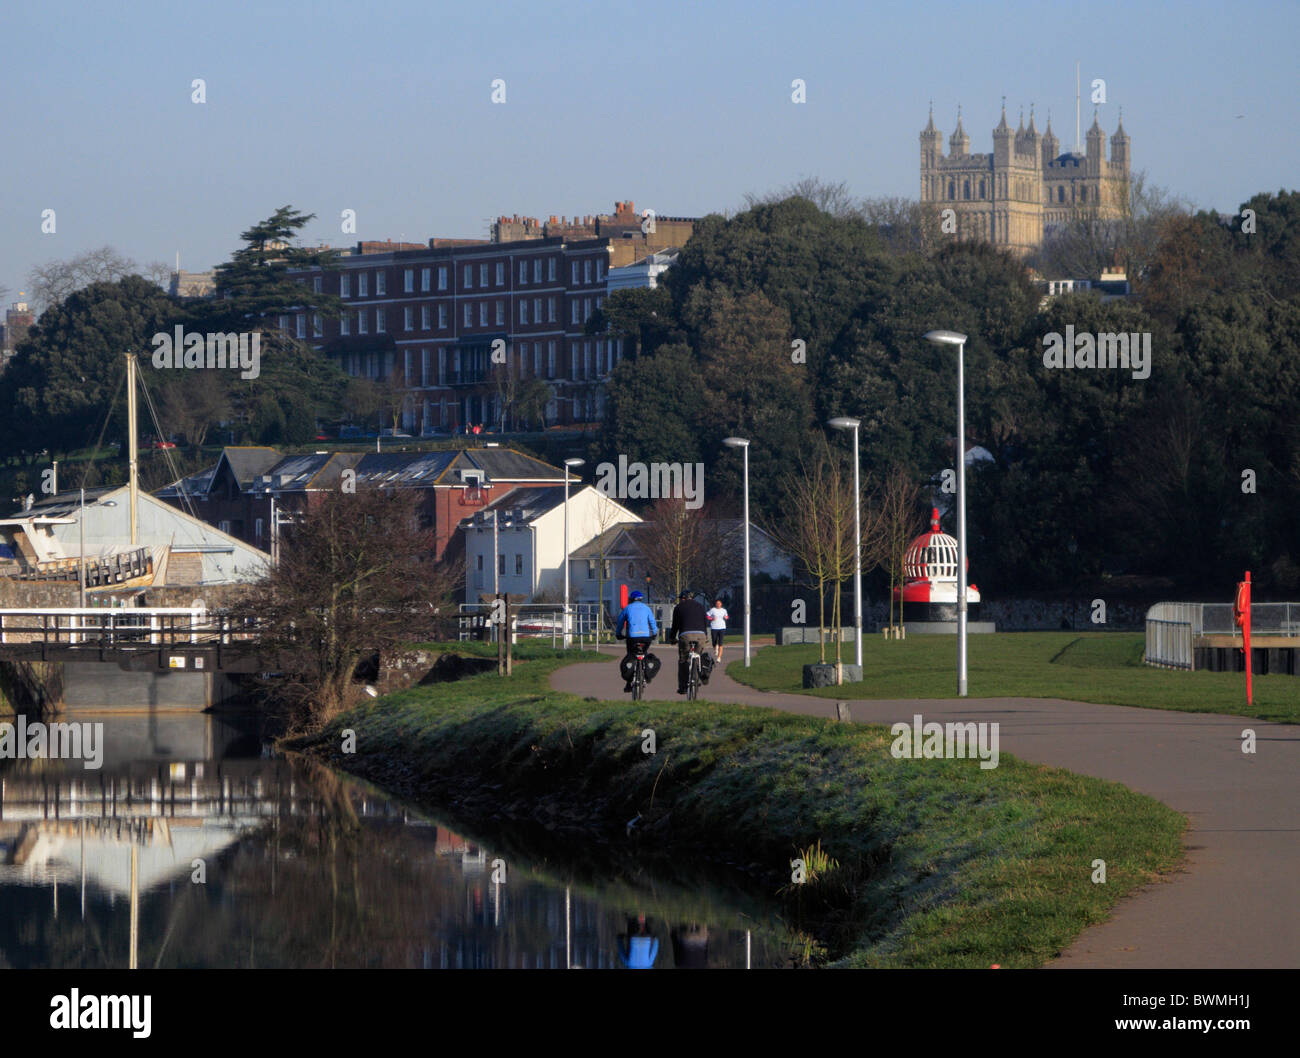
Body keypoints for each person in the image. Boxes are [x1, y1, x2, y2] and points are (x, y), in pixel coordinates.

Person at [668, 589, 712, 694]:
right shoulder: (701, 607)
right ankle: (701, 674)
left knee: (683, 660)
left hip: (685, 636)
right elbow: (705, 622)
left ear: (683, 598)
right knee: (698, 656)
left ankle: (683, 686)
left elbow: (675, 626)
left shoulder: (678, 608)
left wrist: (672, 638)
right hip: (701, 635)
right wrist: (705, 636)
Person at [615, 590, 659, 691]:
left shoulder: (627, 608)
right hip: (645, 637)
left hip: (632, 637)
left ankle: (628, 683)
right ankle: (646, 674)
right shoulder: (647, 608)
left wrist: (618, 634)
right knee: (644, 653)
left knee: (631, 655)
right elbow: (652, 622)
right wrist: (654, 633)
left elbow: (620, 622)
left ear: (631, 599)